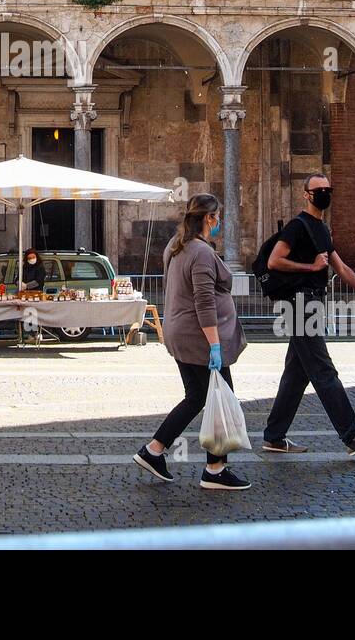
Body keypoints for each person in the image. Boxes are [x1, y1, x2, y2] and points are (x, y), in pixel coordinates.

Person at [262, 173, 355, 456]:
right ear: (306, 194)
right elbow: (274, 260)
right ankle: (352, 436)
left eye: (327, 189)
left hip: (312, 304)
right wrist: (309, 267)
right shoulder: (297, 227)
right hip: (300, 305)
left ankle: (274, 437)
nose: (324, 193)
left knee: (296, 374)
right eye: (318, 190)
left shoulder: (322, 229)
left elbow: (342, 269)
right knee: (323, 370)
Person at [133, 194, 251, 491]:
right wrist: (214, 345)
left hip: (182, 333)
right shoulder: (199, 251)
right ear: (208, 218)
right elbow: (204, 300)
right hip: (199, 338)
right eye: (217, 217)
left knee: (197, 396)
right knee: (222, 398)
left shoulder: (176, 246)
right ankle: (215, 470)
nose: (219, 222)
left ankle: (155, 450)